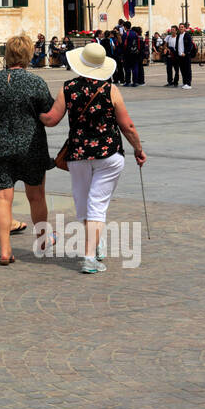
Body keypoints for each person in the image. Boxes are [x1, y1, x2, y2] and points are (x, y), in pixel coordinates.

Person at [40, 42, 147, 274]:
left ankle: (95, 247)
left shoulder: (67, 88)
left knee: (84, 203)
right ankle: (90, 256)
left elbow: (51, 119)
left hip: (78, 154)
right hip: (108, 154)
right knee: (97, 205)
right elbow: (127, 125)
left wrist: (32, 111)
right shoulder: (111, 90)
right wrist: (138, 149)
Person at [0, 34, 55, 265]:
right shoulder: (36, 82)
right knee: (36, 196)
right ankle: (41, 242)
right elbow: (49, 114)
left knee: (3, 197)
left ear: (6, 55)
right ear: (28, 55)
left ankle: (5, 250)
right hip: (32, 146)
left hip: (1, 145)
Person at [174, 25, 197, 90]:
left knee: (187, 69)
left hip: (186, 55)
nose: (180, 28)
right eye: (180, 27)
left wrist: (185, 52)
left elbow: (190, 45)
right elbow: (177, 45)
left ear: (184, 28)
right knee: (182, 70)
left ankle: (188, 84)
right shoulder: (178, 35)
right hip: (180, 55)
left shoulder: (187, 35)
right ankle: (185, 83)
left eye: (182, 27)